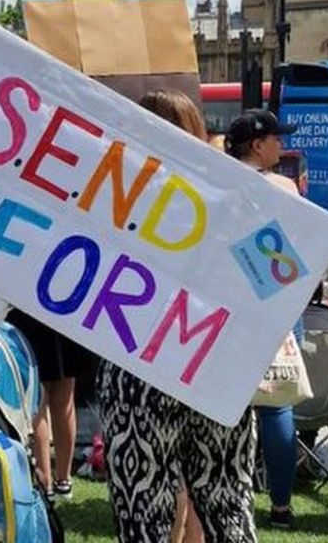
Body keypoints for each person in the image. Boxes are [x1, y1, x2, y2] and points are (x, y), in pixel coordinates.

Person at [97, 90, 258, 542]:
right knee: (228, 505)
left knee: (143, 510)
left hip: (137, 364)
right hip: (216, 362)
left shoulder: (111, 197)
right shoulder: (236, 200)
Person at [225, 108, 302, 530]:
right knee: (276, 404)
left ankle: (223, 490)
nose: (281, 145)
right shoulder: (283, 186)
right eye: (275, 139)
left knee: (223, 405)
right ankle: (281, 506)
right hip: (275, 300)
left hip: (228, 303)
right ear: (257, 145)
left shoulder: (219, 181)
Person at [6, 309, 96, 500]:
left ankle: (45, 481)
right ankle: (61, 479)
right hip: (63, 311)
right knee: (60, 396)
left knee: (39, 398)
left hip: (32, 310)